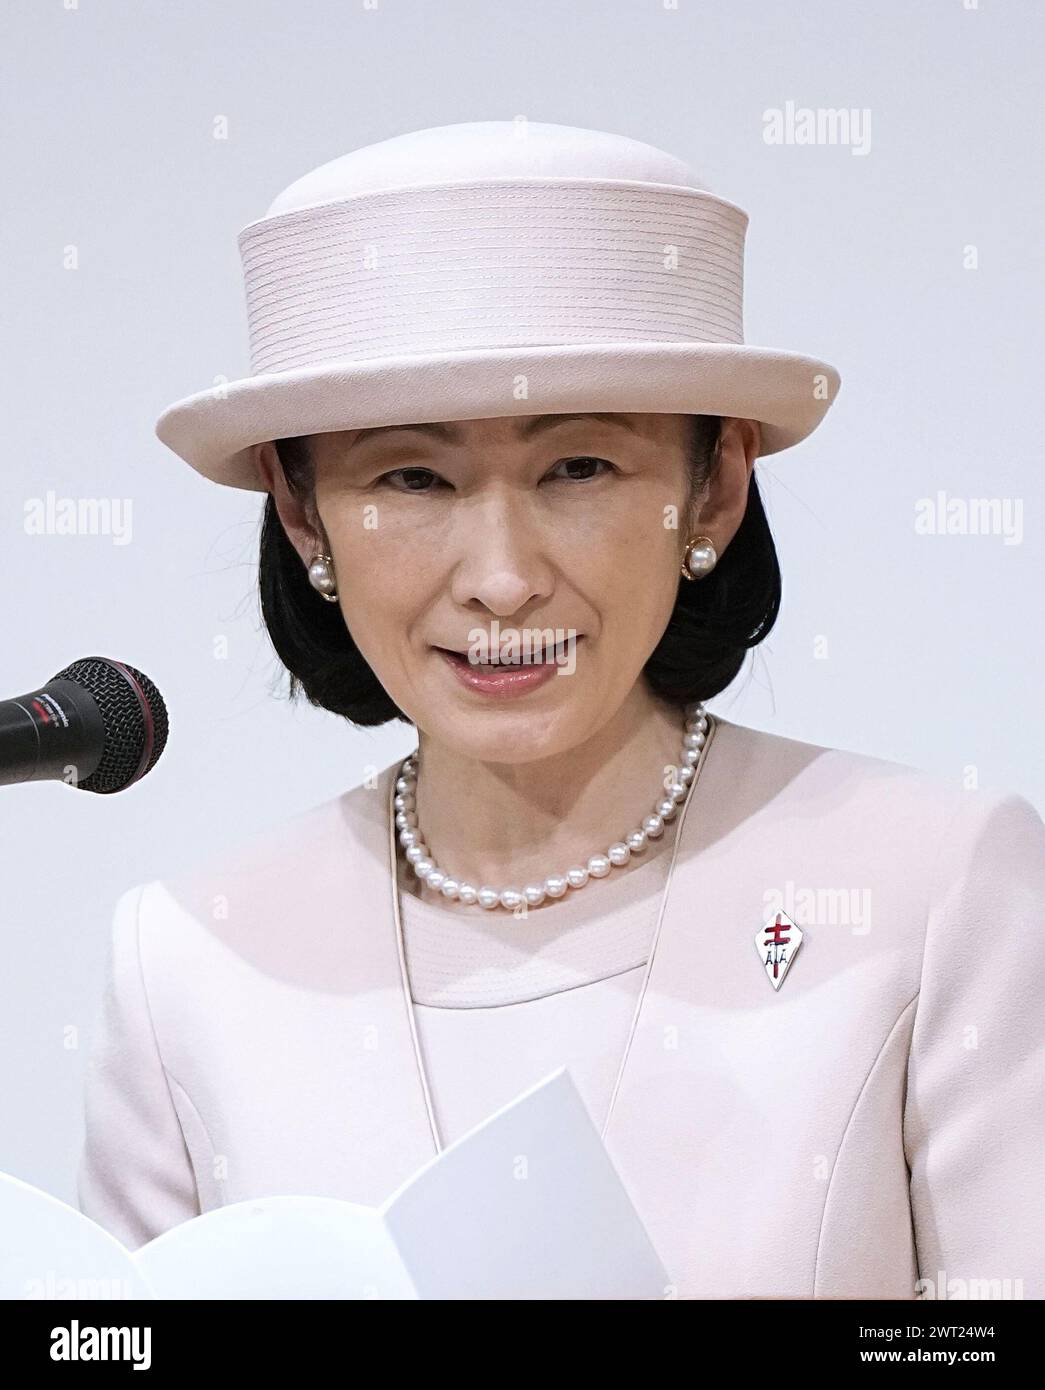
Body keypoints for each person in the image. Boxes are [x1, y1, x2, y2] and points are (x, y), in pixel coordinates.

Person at [77, 120, 1045, 1299]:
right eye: (411, 477)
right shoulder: (192, 955)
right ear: (300, 511)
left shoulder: (936, 884)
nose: (501, 578)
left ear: (715, 485)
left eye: (578, 468)